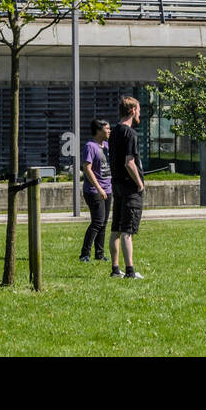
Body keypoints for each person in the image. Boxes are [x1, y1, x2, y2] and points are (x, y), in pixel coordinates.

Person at [108, 96, 145, 279]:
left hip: (117, 185)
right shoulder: (130, 134)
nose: (139, 113)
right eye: (138, 110)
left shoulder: (114, 132)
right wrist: (139, 182)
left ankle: (115, 270)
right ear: (132, 111)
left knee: (116, 228)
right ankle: (130, 271)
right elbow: (130, 162)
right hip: (130, 187)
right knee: (127, 230)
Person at [79, 118, 112, 261]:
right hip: (94, 191)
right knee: (97, 222)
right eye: (107, 129)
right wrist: (98, 188)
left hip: (108, 188)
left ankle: (99, 254)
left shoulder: (106, 145)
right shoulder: (90, 146)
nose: (109, 131)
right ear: (99, 130)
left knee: (103, 222)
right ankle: (84, 254)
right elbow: (87, 168)